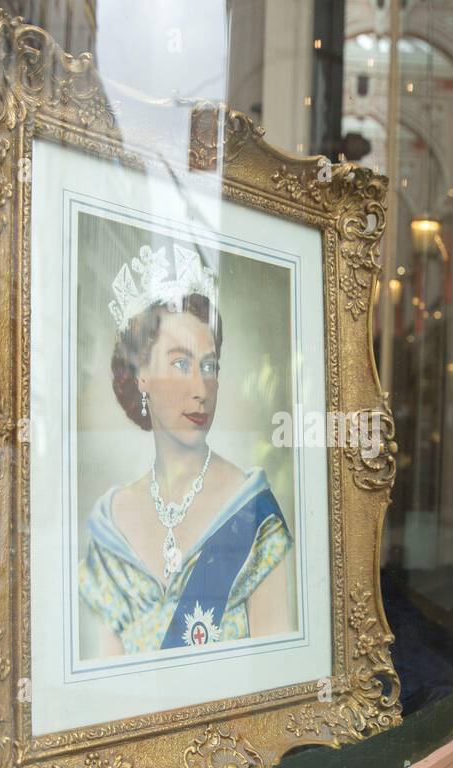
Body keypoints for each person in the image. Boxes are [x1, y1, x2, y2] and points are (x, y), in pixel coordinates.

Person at [79, 244, 293, 657]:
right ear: (141, 374)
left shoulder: (254, 514)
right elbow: (103, 696)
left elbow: (277, 685)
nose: (200, 389)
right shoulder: (111, 526)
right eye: (180, 363)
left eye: (209, 366)